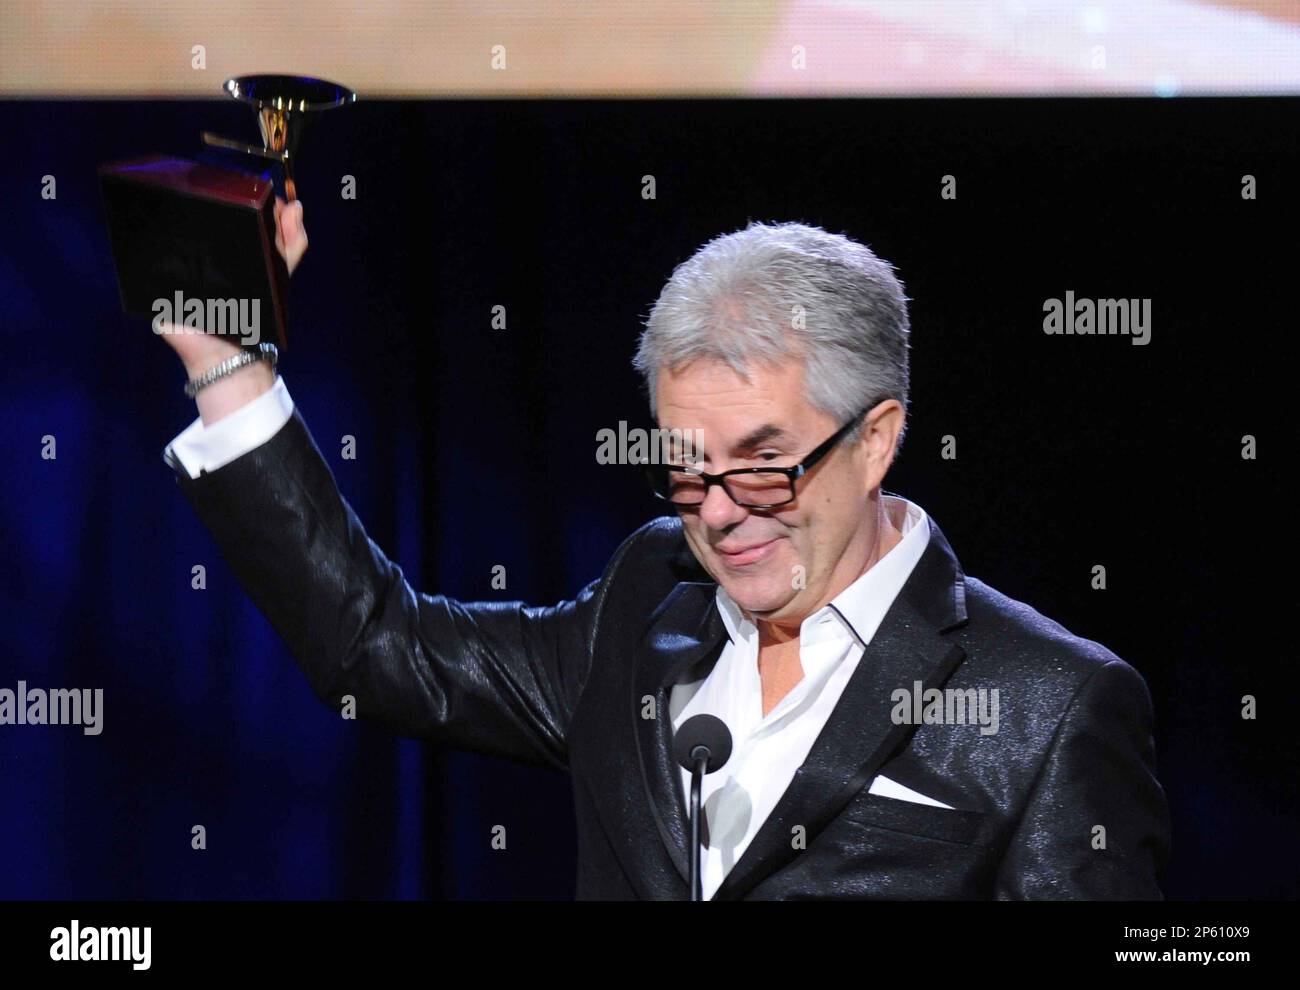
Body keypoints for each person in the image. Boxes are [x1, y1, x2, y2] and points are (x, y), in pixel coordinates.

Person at [159, 200, 1171, 899]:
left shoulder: (1051, 705)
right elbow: (381, 649)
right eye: (687, 466)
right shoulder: (649, 594)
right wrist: (230, 370)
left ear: (876, 439)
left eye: (764, 462)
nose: (721, 511)